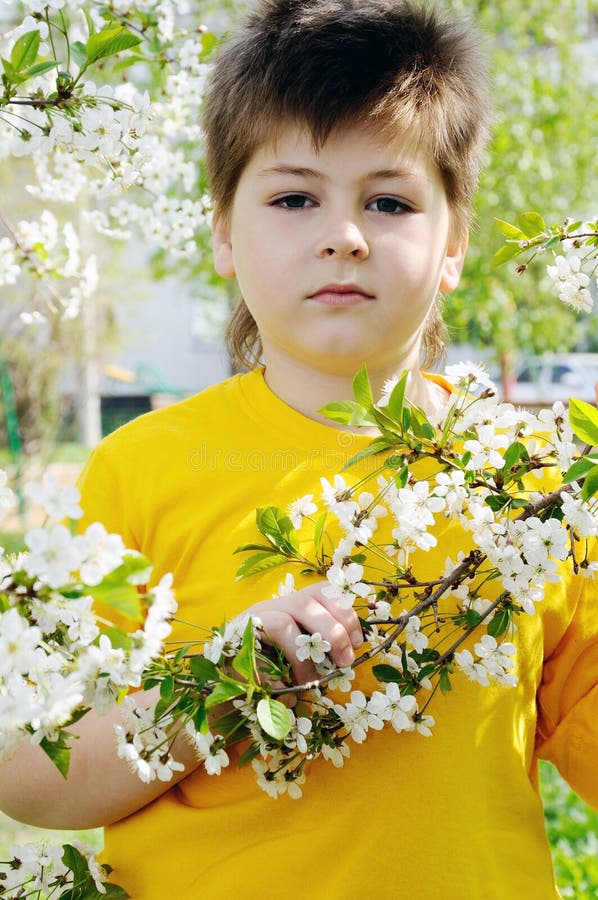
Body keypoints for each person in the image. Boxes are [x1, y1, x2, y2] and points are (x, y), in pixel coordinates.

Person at [1, 1, 596, 897]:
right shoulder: (139, 469)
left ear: (455, 247)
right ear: (223, 233)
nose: (344, 234)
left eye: (390, 202)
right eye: (293, 197)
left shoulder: (536, 485)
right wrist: (216, 691)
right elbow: (35, 774)